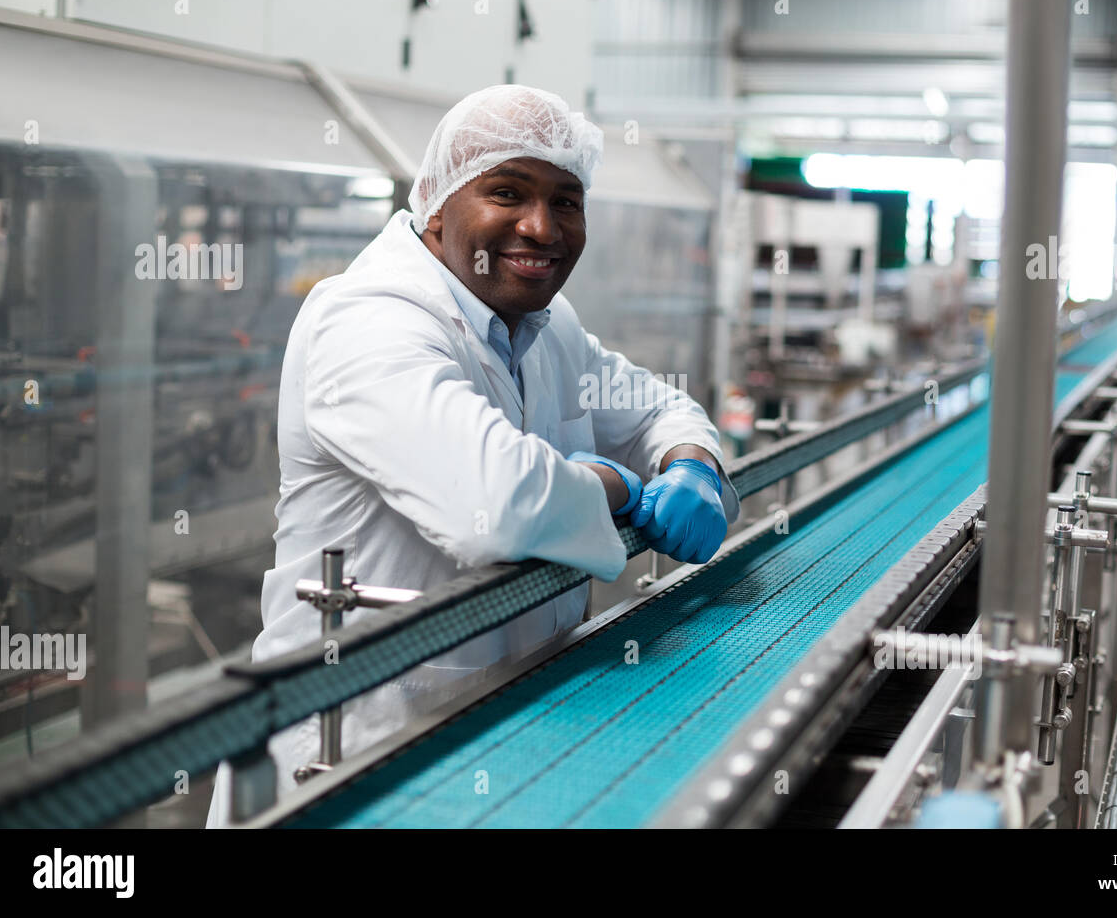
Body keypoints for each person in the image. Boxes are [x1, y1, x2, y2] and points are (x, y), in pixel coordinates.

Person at [206, 85, 738, 826]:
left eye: (567, 201)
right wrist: (614, 485)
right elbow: (498, 505)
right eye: (507, 192)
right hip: (360, 749)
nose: (541, 226)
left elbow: (657, 407)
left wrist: (691, 464)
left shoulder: (547, 325)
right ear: (437, 200)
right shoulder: (363, 322)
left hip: (521, 721)